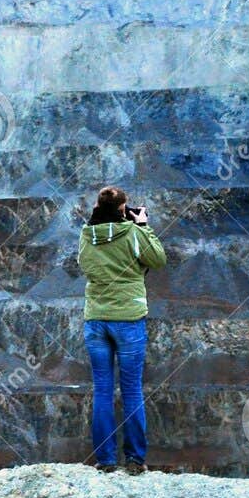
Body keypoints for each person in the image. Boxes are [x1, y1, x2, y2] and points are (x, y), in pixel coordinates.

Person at [78, 186, 166, 473]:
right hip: (128, 319)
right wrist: (143, 226)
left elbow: (84, 266)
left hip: (96, 320)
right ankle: (135, 459)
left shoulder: (86, 235)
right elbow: (158, 259)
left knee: (102, 390)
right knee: (131, 390)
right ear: (123, 209)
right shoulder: (133, 232)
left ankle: (105, 460)